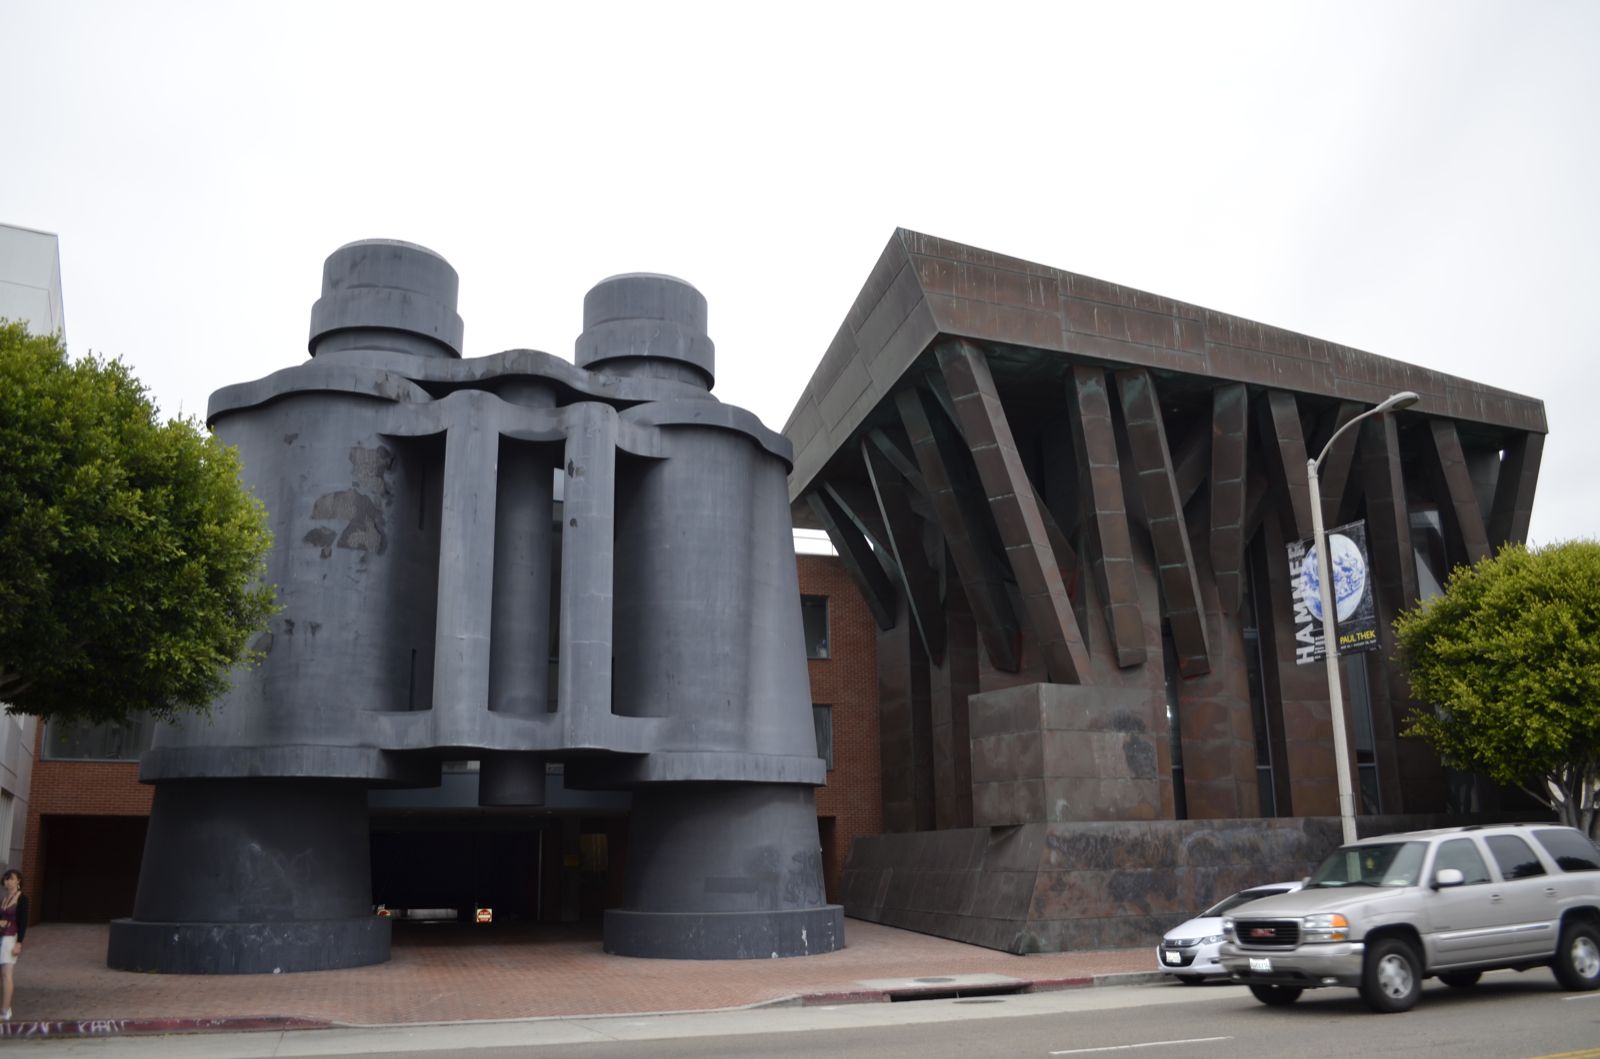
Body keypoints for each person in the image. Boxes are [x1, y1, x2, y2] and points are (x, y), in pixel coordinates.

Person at [0, 868, 26, 1021]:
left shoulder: (22, 899)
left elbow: (23, 923)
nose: (8, 882)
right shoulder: (4, 898)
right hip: (1, 937)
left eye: (11, 879)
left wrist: (19, 943)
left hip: (11, 938)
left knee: (6, 974)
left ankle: (6, 1010)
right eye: (6, 879)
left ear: (18, 881)